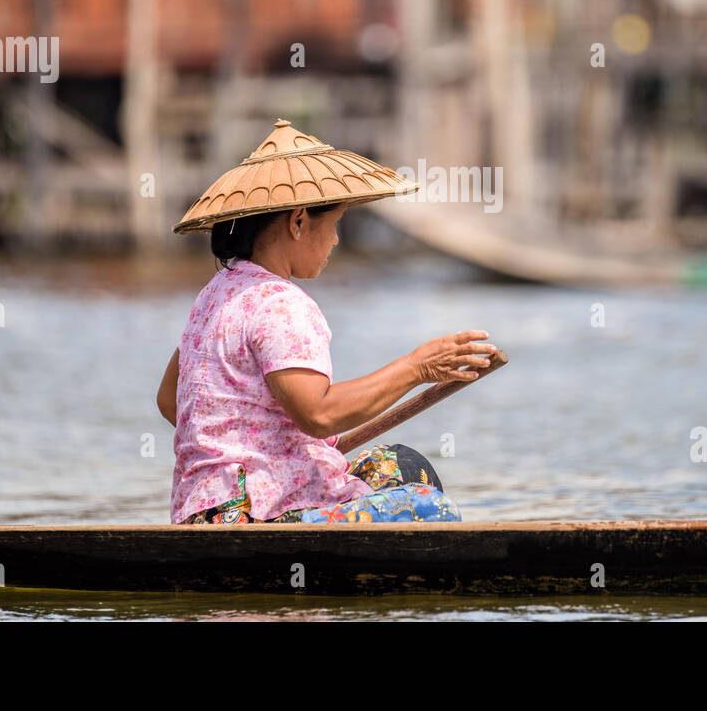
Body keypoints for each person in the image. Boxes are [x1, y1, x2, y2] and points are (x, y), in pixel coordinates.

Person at [157, 120, 496, 524]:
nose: (335, 241)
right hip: (249, 521)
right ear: (298, 222)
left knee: (401, 465)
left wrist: (265, 444)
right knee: (426, 505)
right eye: (334, 225)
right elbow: (317, 416)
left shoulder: (215, 294)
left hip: (199, 510)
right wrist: (416, 368)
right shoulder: (279, 303)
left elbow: (169, 400)